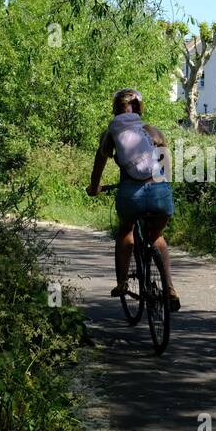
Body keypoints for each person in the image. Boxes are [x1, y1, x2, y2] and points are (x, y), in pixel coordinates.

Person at [86, 88, 180, 311]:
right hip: (159, 190)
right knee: (156, 236)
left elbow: (99, 164)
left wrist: (94, 187)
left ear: (115, 109)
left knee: (126, 231)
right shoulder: (153, 132)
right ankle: (170, 289)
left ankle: (122, 282)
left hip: (132, 194)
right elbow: (167, 168)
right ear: (139, 109)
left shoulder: (112, 133)